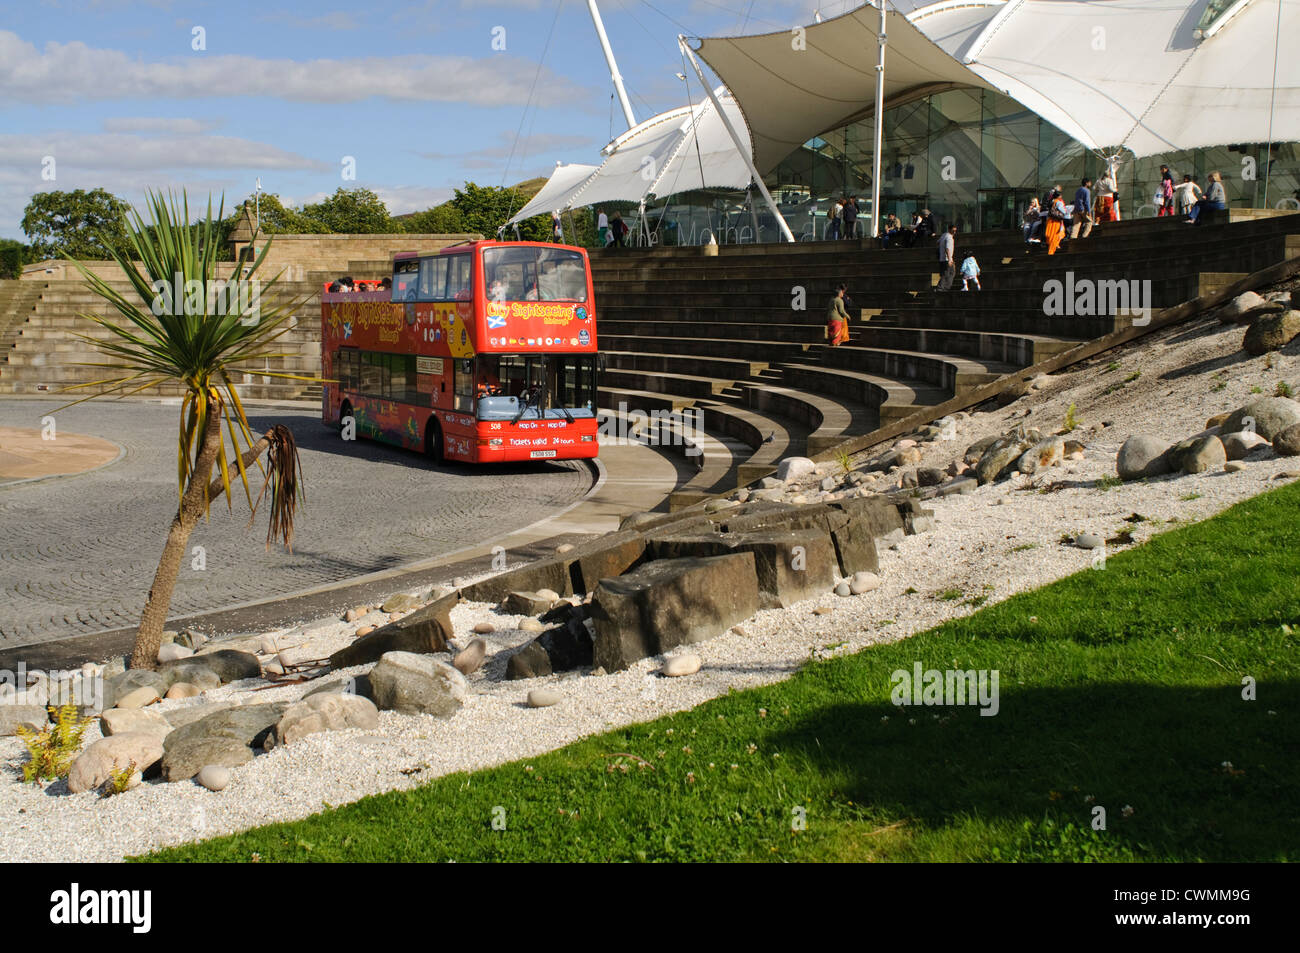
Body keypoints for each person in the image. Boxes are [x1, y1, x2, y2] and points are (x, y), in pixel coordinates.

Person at [1045, 188, 1068, 255]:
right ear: (1059, 196)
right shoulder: (1058, 202)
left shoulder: (1051, 201)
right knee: (1057, 234)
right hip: (1056, 221)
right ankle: (1052, 250)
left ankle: (1055, 246)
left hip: (1050, 220)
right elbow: (1064, 211)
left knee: (1051, 235)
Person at [937, 224, 957, 291]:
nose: (954, 232)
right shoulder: (949, 238)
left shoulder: (944, 235)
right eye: (953, 231)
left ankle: (943, 287)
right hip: (947, 259)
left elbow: (938, 242)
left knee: (946, 273)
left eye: (955, 231)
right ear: (949, 230)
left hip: (942, 258)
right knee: (949, 273)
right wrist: (950, 259)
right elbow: (947, 248)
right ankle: (943, 288)